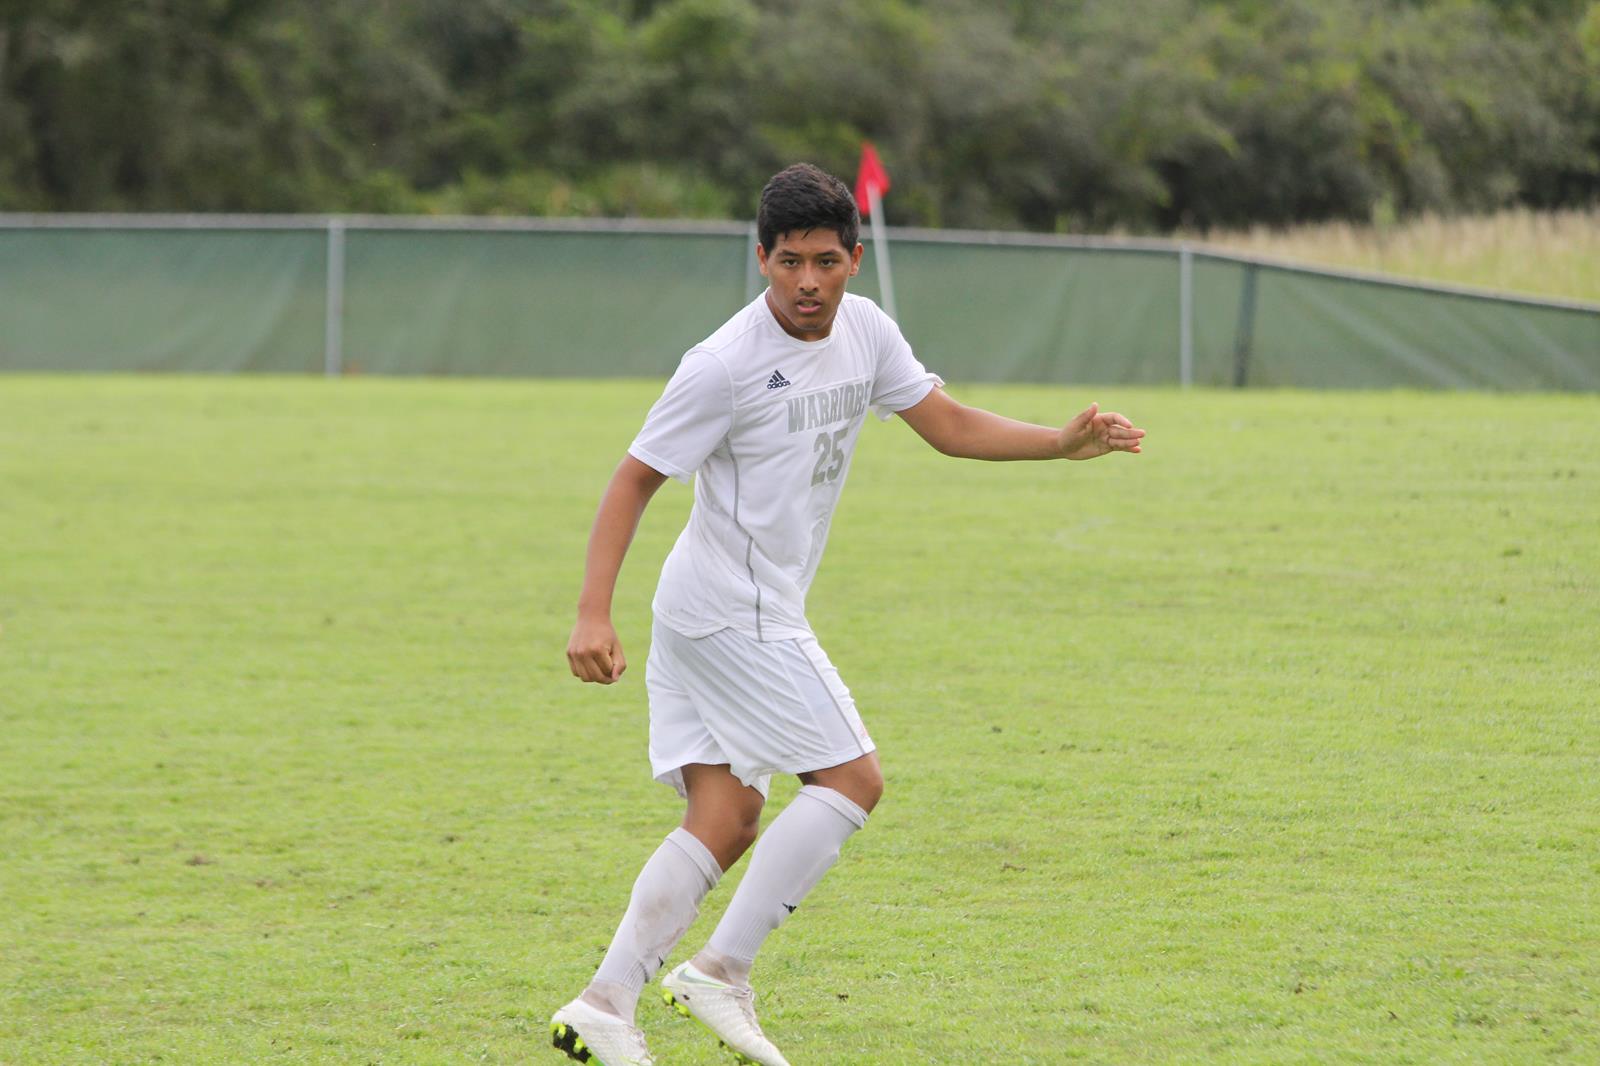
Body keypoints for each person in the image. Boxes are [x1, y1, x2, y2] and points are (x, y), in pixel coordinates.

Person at [550, 163, 1145, 1066]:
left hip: (725, 607)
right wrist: (592, 611)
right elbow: (635, 477)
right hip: (728, 611)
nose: (807, 283)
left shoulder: (864, 332)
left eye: (825, 261)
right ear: (761, 260)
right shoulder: (723, 364)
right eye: (789, 262)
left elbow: (945, 422)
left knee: (726, 815)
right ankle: (721, 972)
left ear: (855, 260)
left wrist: (1058, 446)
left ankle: (604, 1003)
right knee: (853, 779)